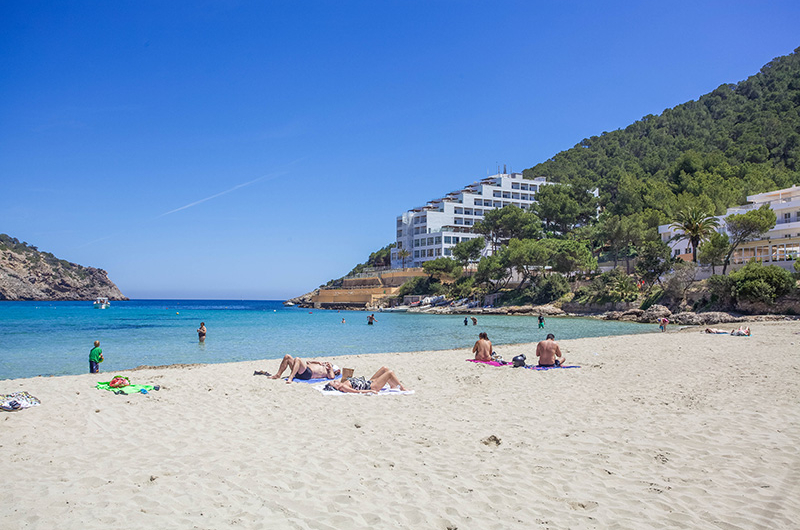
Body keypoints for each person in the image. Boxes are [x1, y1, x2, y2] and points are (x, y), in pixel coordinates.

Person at [324, 366, 408, 393]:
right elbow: (356, 392)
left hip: (369, 382)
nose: (335, 381)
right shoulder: (343, 387)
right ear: (336, 388)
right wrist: (370, 391)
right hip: (372, 386)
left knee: (384, 368)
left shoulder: (342, 383)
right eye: (334, 383)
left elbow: (348, 379)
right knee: (390, 372)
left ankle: (393, 386)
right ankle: (401, 388)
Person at [270, 355, 341, 383]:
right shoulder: (322, 364)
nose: (328, 364)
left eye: (331, 365)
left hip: (307, 373)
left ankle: (291, 377)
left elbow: (331, 377)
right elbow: (308, 362)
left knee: (297, 359)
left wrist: (330, 368)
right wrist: (317, 362)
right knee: (287, 357)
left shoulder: (328, 371)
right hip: (301, 370)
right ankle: (278, 375)